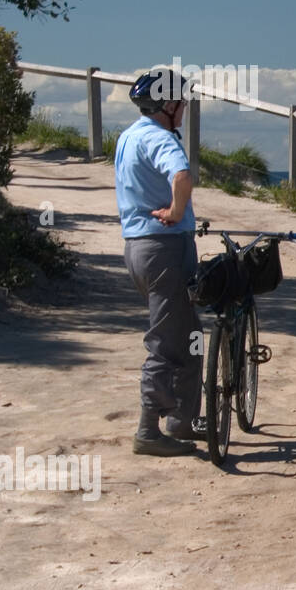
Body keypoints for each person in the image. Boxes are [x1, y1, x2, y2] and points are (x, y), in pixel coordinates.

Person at [115, 68, 203, 456]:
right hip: (164, 248)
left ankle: (182, 420)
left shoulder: (128, 136)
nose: (184, 110)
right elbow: (182, 176)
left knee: (189, 334)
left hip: (137, 247)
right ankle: (148, 430)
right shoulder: (160, 137)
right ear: (168, 105)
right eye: (182, 104)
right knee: (166, 341)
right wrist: (176, 209)